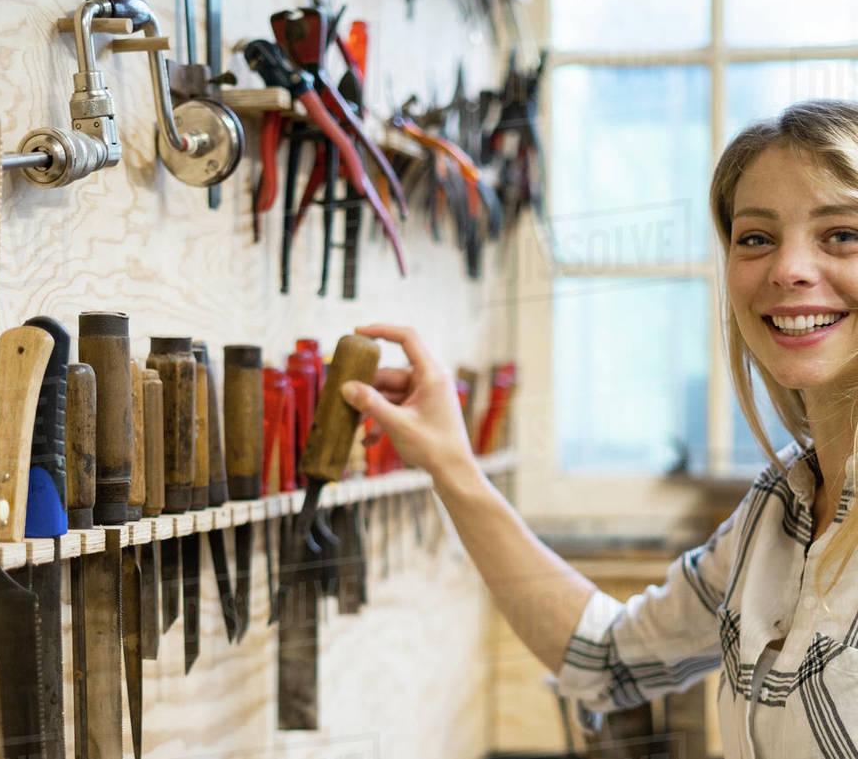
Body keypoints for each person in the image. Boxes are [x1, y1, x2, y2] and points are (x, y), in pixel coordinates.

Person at [341, 99, 858, 759]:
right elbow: (605, 657)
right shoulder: (778, 506)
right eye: (755, 237)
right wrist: (453, 467)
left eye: (842, 232)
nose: (788, 268)